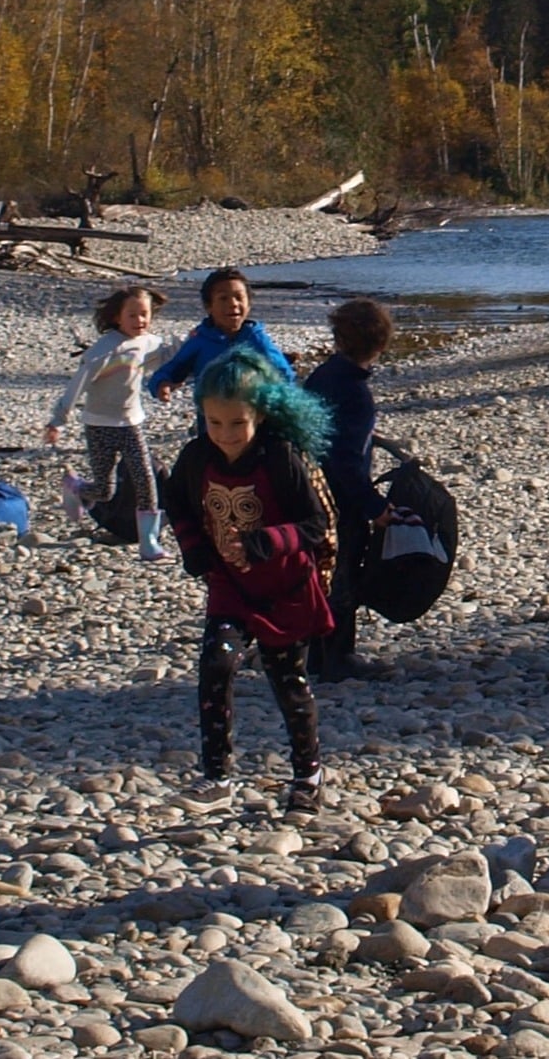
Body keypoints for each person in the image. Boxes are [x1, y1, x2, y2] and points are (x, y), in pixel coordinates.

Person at [166, 346, 337, 818]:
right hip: (231, 587)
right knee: (216, 668)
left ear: (260, 414)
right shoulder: (197, 456)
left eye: (236, 423)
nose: (225, 435)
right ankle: (216, 777)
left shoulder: (281, 457)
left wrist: (266, 542)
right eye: (214, 423)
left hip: (286, 589)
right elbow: (177, 503)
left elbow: (315, 524)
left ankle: (308, 776)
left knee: (290, 684)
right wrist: (195, 551)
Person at [44, 286, 182, 562]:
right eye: (133, 315)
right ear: (118, 317)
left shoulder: (148, 342)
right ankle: (76, 488)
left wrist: (189, 343)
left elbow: (166, 356)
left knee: (145, 480)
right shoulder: (103, 351)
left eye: (145, 315)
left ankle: (149, 542)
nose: (140, 321)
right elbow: (77, 385)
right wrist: (58, 421)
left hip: (131, 424)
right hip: (99, 425)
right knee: (105, 491)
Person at [304, 298, 398, 681]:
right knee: (342, 574)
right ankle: (337, 655)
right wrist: (374, 506)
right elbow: (346, 459)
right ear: (380, 346)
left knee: (316, 570)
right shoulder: (357, 395)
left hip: (307, 489)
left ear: (338, 339)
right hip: (340, 500)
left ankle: (313, 651)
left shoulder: (322, 377)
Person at [148, 267, 295, 407]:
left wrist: (283, 402)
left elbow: (283, 373)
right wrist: (162, 383)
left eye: (239, 297)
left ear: (249, 304)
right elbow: (174, 368)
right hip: (212, 422)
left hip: (253, 419)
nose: (233, 304)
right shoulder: (201, 341)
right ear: (208, 306)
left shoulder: (256, 339)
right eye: (223, 298)